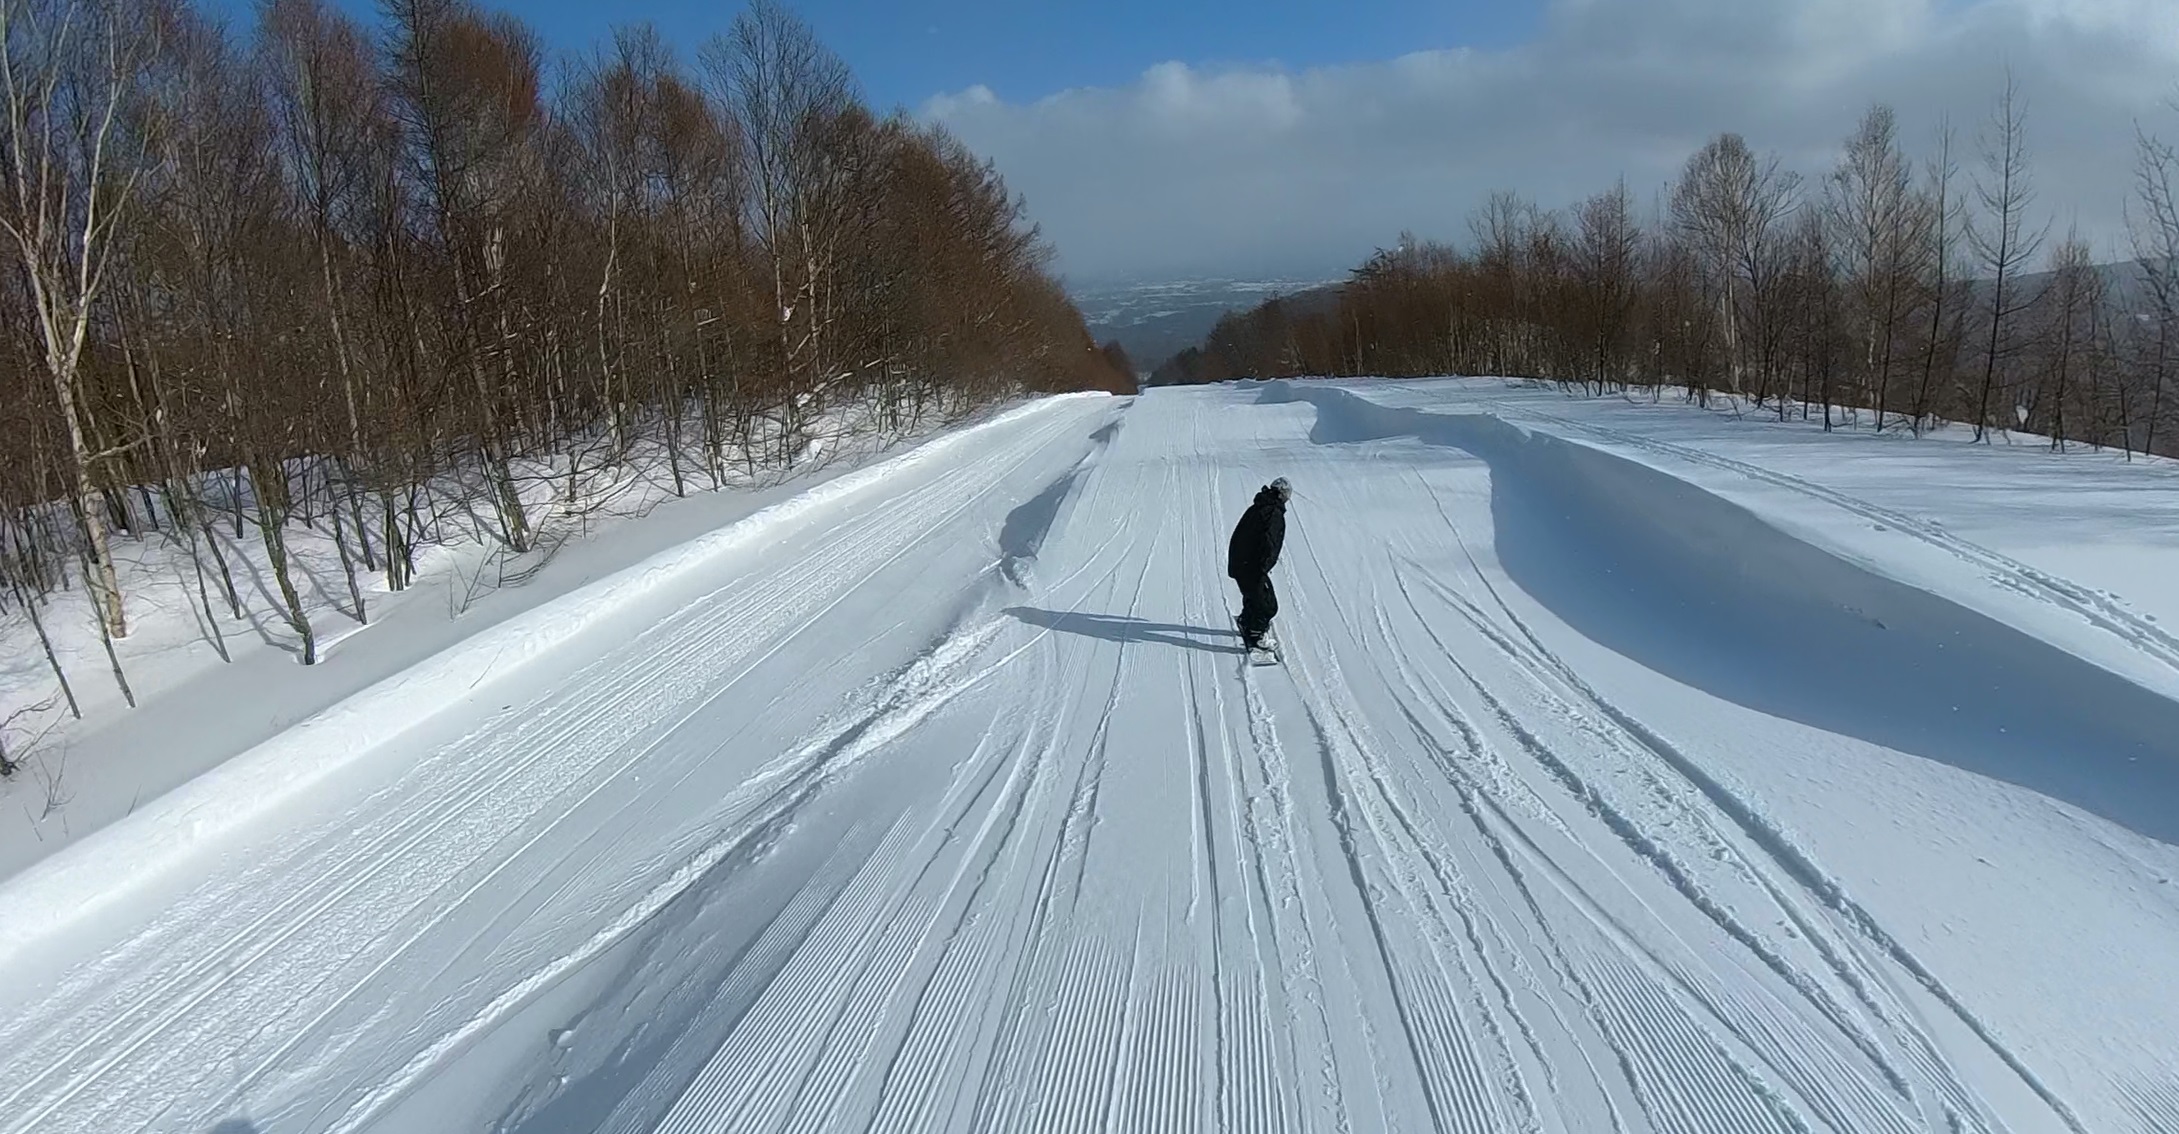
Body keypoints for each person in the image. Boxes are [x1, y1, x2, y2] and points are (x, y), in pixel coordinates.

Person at [1227, 477, 1290, 655]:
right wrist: (1263, 566)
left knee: (1253, 595)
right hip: (1251, 565)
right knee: (1268, 606)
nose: (1287, 498)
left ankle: (1248, 620)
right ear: (1280, 494)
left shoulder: (1259, 507)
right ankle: (1256, 635)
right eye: (1285, 494)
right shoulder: (1273, 514)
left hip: (1242, 561)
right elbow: (1271, 542)